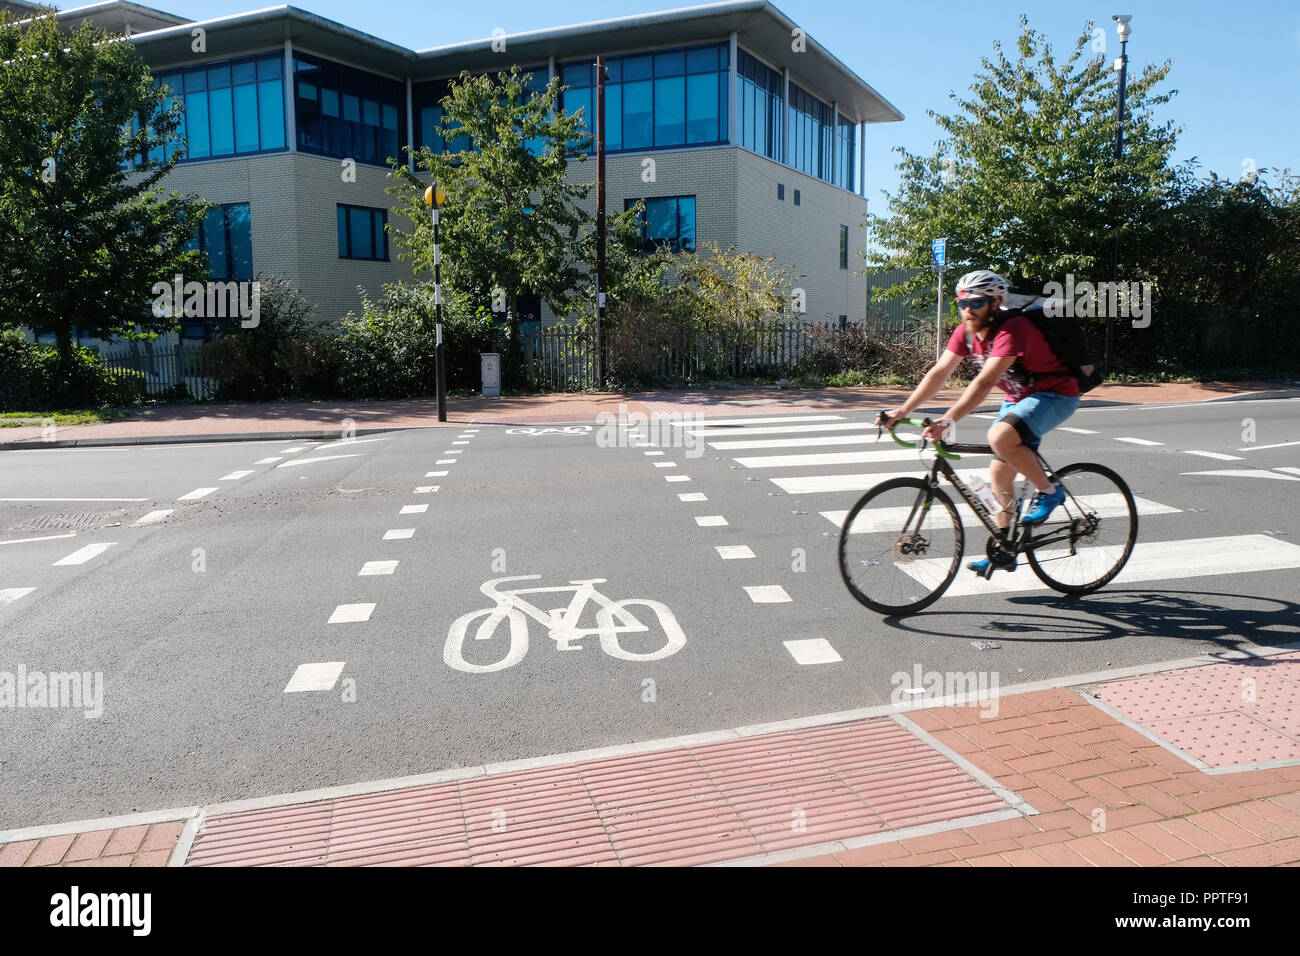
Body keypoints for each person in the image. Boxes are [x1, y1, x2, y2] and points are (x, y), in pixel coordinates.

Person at [878, 269, 1081, 577]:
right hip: (1019, 399)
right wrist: (902, 411)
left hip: (1055, 394)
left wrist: (947, 421)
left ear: (996, 302)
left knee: (999, 436)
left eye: (976, 303)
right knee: (999, 475)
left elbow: (985, 382)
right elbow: (939, 373)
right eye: (962, 303)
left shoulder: (1013, 328)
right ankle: (1005, 549)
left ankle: (1050, 492)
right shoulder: (966, 333)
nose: (968, 310)